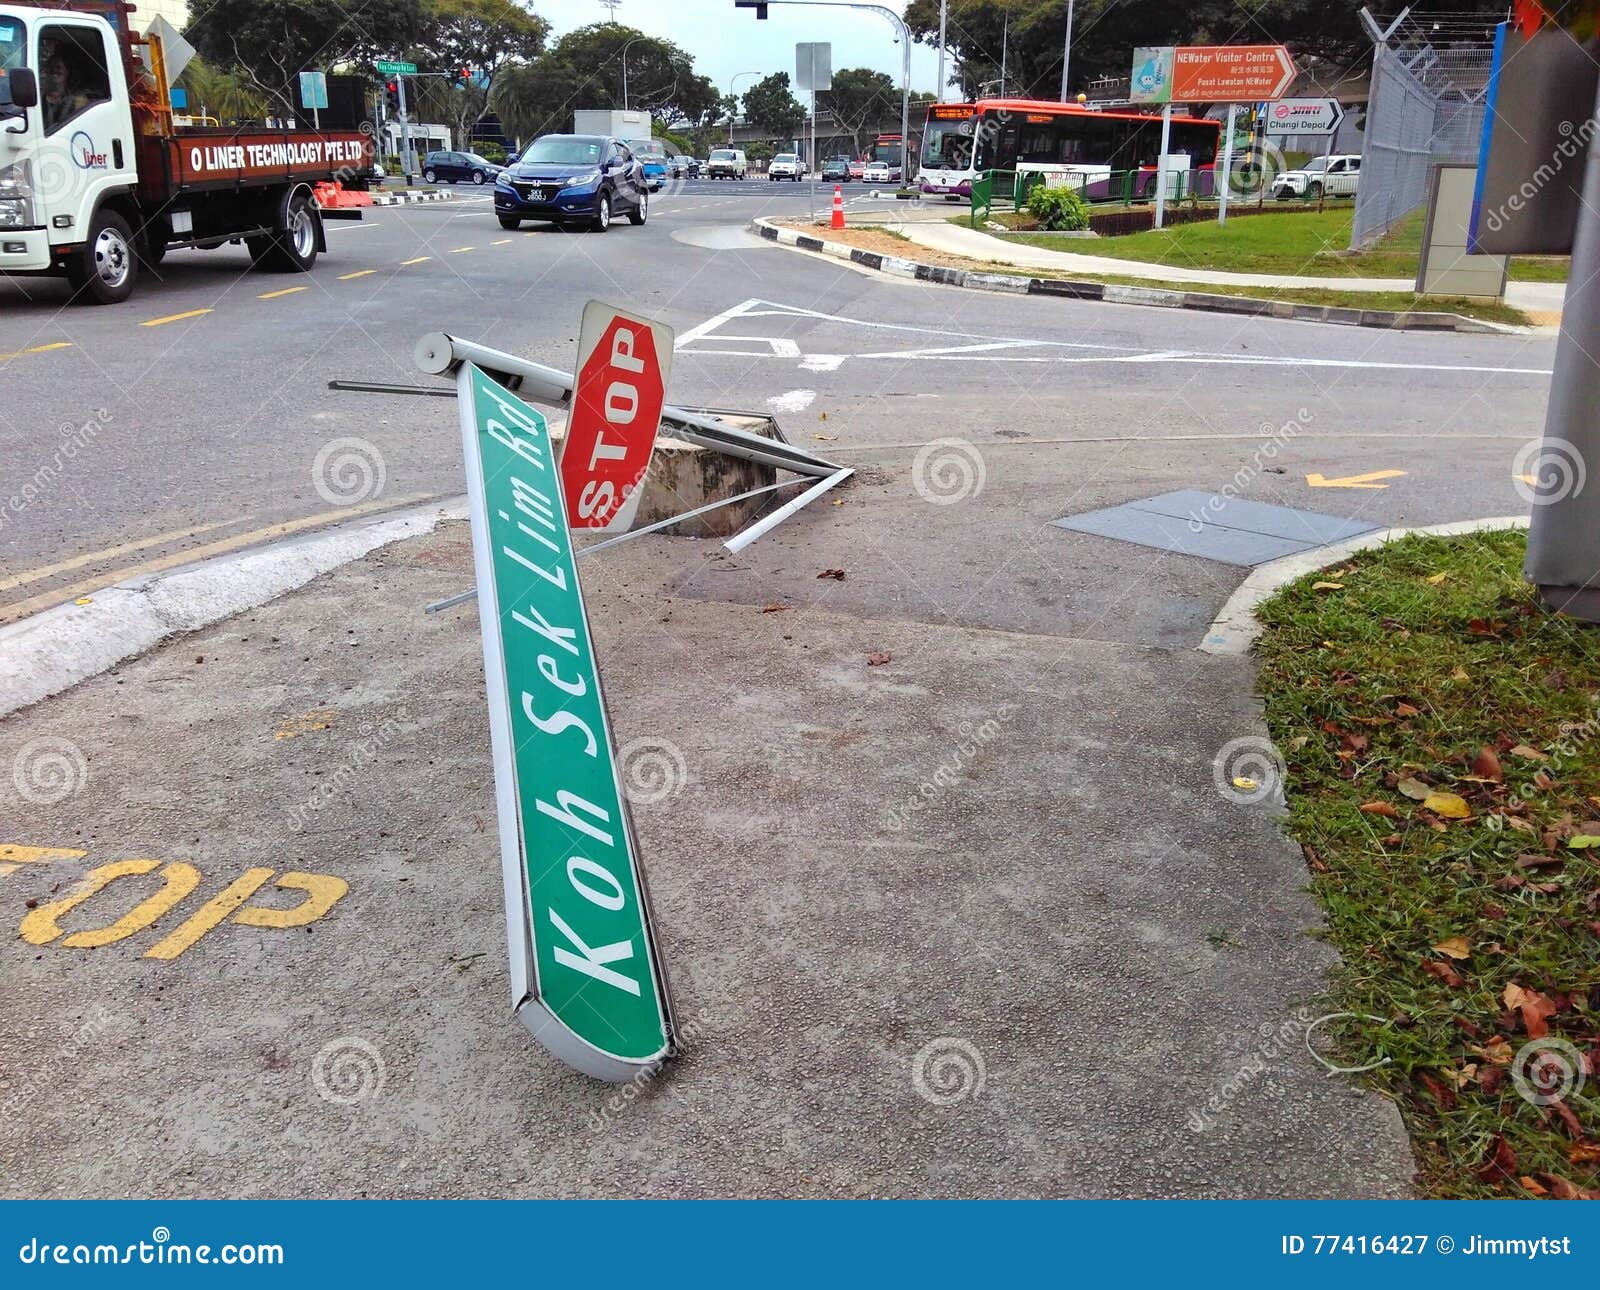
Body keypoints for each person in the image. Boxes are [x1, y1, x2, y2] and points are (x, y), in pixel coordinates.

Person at [40, 48, 87, 131]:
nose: (54, 71)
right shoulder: (38, 99)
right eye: (51, 67)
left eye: (58, 67)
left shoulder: (78, 101)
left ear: (67, 72)